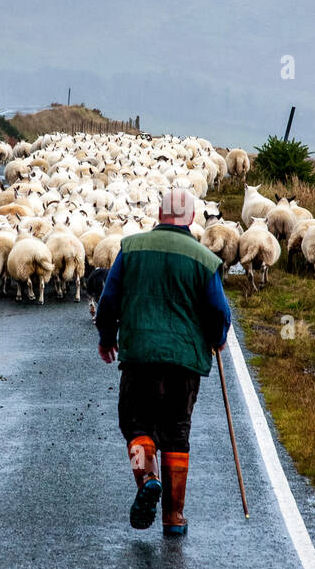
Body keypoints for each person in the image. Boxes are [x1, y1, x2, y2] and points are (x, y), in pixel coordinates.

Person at [95, 187, 232, 536]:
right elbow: (218, 310)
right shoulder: (204, 259)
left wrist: (107, 337)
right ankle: (173, 517)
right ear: (190, 219)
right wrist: (217, 339)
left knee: (137, 426)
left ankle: (147, 478)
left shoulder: (131, 248)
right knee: (176, 432)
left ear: (159, 215)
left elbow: (109, 298)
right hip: (185, 363)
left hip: (140, 356)